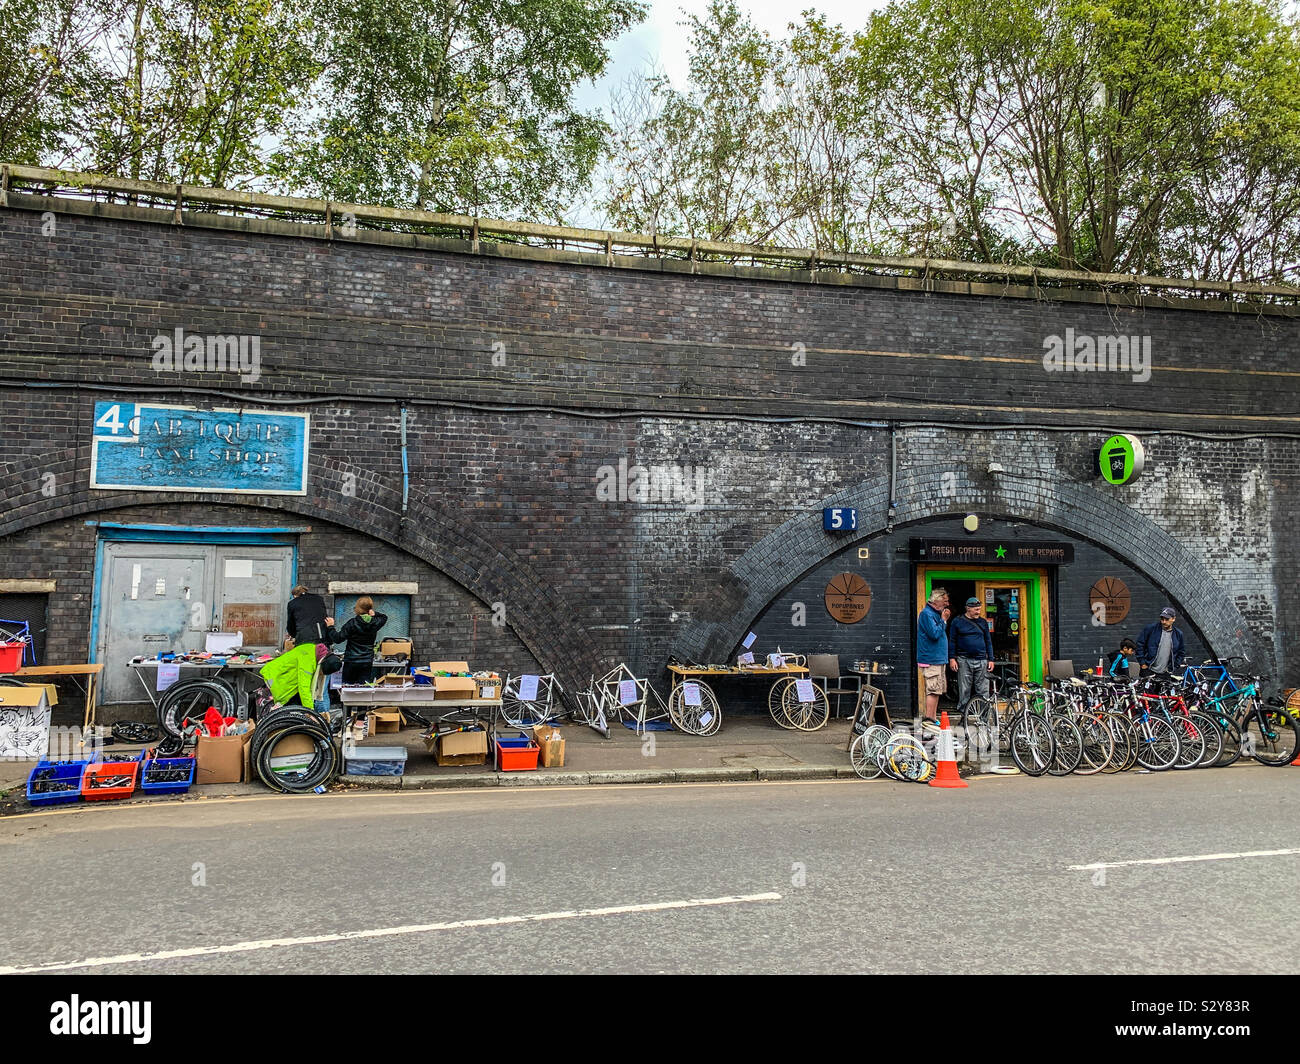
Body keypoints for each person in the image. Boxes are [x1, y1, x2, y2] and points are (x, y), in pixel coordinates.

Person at [259, 641, 343, 727]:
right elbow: (304, 687)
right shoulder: (308, 659)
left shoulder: (315, 651)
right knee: (274, 719)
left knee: (285, 717)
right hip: (274, 679)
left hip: (282, 680)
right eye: (321, 672)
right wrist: (310, 711)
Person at [326, 596, 388, 685]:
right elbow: (384, 617)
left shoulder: (352, 623)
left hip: (351, 661)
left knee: (347, 689)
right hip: (367, 661)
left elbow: (338, 638)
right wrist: (374, 613)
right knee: (363, 689)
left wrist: (330, 627)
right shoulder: (375, 622)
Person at [948, 596, 995, 713]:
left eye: (979, 609)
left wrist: (991, 659)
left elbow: (988, 641)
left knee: (983, 691)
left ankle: (984, 717)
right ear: (968, 609)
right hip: (963, 659)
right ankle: (963, 716)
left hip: (982, 660)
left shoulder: (983, 622)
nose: (978, 612)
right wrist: (952, 658)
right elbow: (952, 641)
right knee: (964, 690)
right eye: (976, 610)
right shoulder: (957, 622)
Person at [916, 587, 951, 730]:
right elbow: (934, 634)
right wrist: (943, 620)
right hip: (931, 659)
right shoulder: (926, 614)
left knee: (937, 690)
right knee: (932, 689)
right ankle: (929, 720)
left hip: (938, 659)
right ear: (936, 601)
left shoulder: (934, 613)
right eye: (945, 601)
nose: (947, 604)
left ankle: (933, 718)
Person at [1137, 607, 1186, 676]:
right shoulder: (1151, 629)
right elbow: (1140, 645)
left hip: (1166, 673)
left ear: (1173, 619)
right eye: (1162, 619)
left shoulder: (1178, 634)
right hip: (1148, 670)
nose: (1164, 621)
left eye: (1167, 619)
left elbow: (1181, 652)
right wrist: (1143, 663)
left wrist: (1174, 666)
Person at [284, 585, 329, 649]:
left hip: (303, 636)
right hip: (321, 634)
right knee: (321, 655)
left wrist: (294, 635)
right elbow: (324, 616)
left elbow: (291, 623)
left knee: (304, 656)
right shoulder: (319, 599)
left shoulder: (292, 603)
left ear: (295, 595)